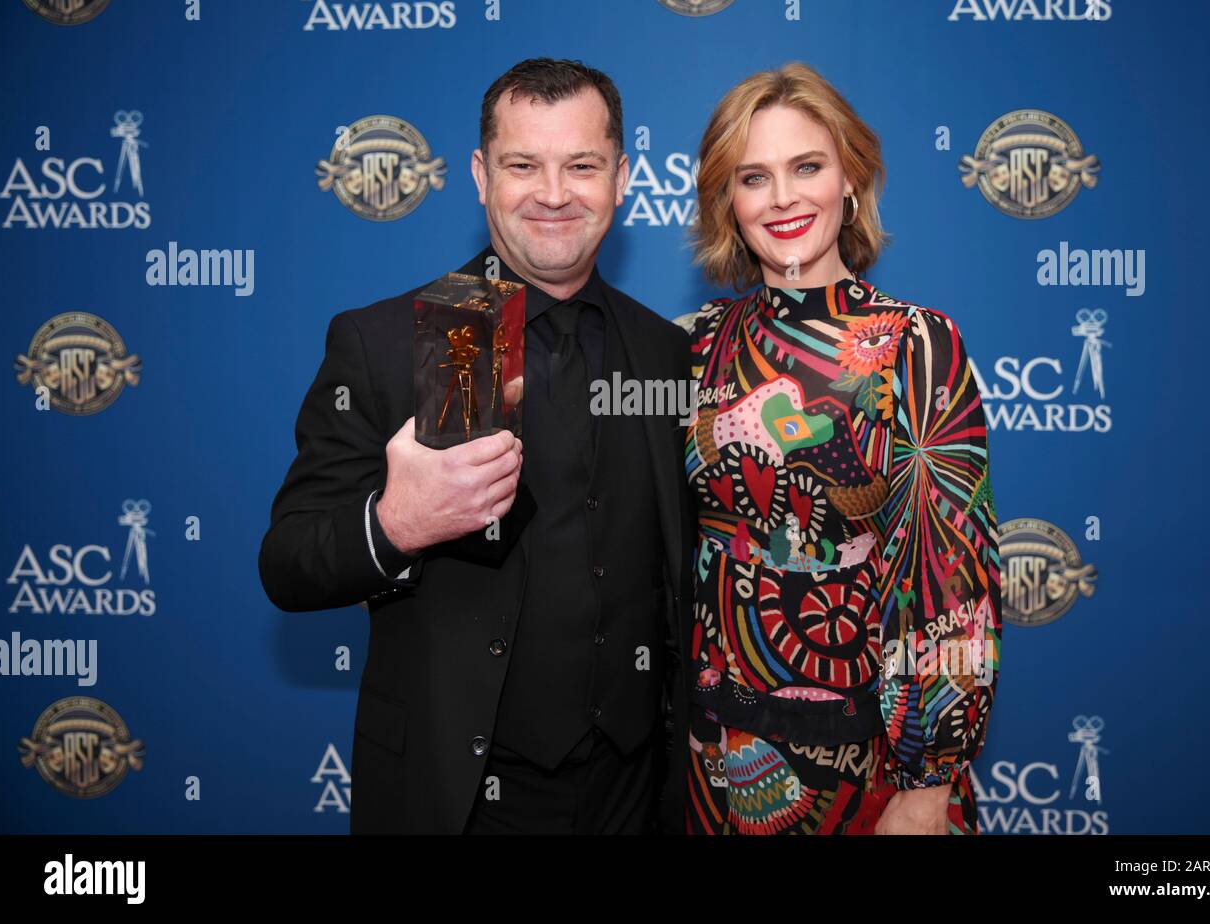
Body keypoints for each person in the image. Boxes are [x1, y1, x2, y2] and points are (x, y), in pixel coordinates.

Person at [259, 58, 694, 834]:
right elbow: (289, 562)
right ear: (479, 174)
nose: (554, 194)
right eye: (522, 164)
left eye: (582, 166)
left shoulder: (665, 352)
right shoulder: (388, 341)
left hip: (635, 796)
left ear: (622, 178)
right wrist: (396, 524)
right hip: (462, 798)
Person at [676, 62, 1001, 834]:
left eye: (807, 167)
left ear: (850, 179)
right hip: (707, 756)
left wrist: (927, 782)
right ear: (728, 200)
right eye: (754, 177)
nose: (783, 198)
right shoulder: (692, 347)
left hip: (867, 769)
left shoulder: (914, 343)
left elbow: (949, 576)